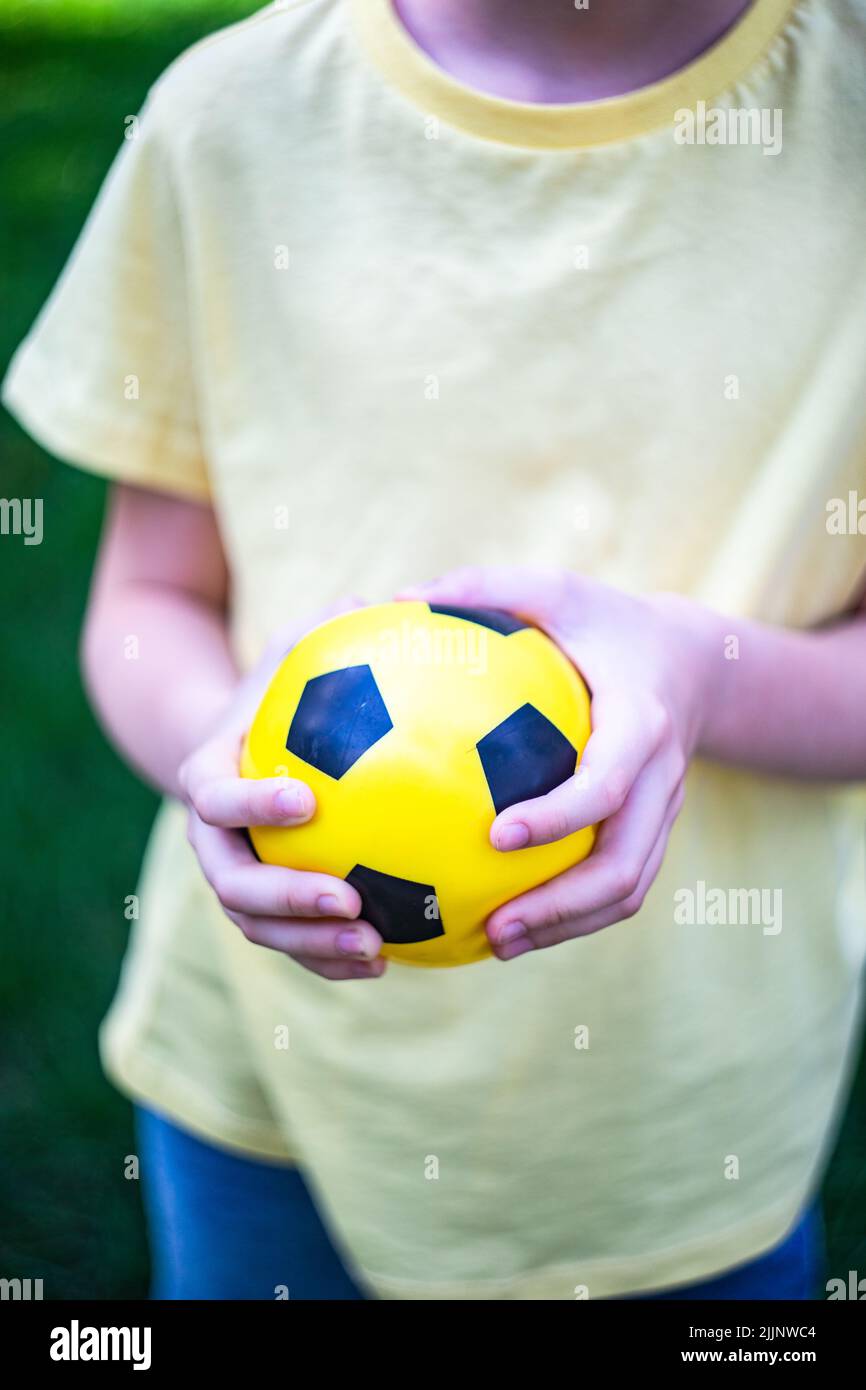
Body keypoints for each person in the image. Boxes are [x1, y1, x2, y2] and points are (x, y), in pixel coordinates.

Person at [4, 0, 866, 1300]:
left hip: (674, 1125)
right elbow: (146, 594)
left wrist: (698, 671)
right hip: (265, 1074)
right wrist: (216, 754)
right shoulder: (229, 117)